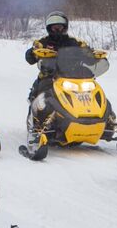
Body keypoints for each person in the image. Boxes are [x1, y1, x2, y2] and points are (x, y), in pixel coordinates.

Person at [24, 11, 89, 140]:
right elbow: (30, 57)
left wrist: (91, 54)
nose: (57, 29)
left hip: (73, 76)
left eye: (59, 26)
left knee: (90, 90)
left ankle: (105, 119)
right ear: (49, 28)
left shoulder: (74, 42)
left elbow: (87, 51)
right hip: (50, 75)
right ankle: (37, 122)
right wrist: (33, 53)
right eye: (54, 27)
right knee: (42, 92)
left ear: (65, 27)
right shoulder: (43, 42)